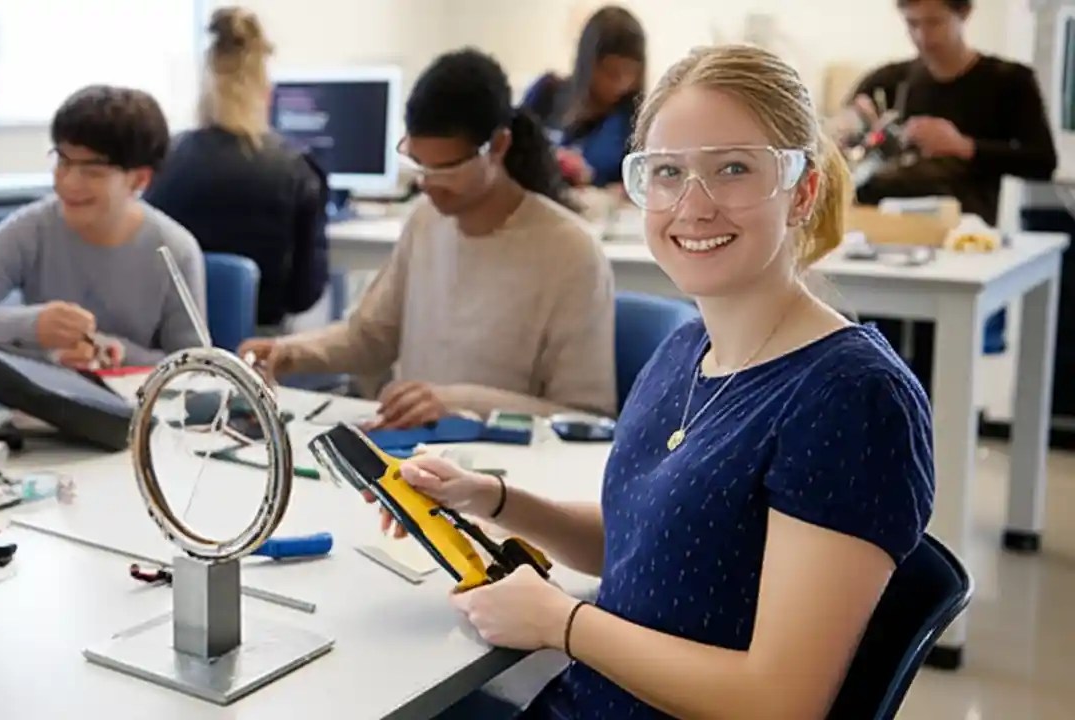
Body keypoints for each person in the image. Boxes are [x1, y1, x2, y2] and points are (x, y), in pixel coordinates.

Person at [385, 45, 936, 719]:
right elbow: (659, 548)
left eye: (732, 169)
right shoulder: (686, 348)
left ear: (803, 192)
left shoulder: (852, 399)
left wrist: (560, 623)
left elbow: (780, 701)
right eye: (667, 172)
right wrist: (494, 500)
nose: (692, 206)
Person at [238, 48, 617, 429]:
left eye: (447, 168)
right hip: (414, 456)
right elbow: (370, 338)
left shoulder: (571, 254)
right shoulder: (426, 220)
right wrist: (289, 353)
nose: (429, 184)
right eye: (419, 164)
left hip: (506, 473)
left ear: (498, 147)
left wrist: (456, 403)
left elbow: (583, 416)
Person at [833, 0, 1057, 396]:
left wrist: (964, 146)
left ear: (964, 14)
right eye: (912, 24)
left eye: (934, 23)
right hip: (887, 245)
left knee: (935, 366)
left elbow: (1043, 161)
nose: (923, 36)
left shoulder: (1009, 81)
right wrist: (850, 123)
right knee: (869, 357)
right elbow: (851, 120)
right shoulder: (893, 81)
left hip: (960, 245)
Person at [0, 85, 207, 368]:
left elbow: (196, 370)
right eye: (62, 162)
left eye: (92, 172)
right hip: (41, 407)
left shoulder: (174, 249)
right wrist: (33, 327)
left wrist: (107, 352)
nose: (68, 183)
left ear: (139, 180)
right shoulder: (30, 230)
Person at [144, 7, 329, 331]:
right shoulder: (296, 170)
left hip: (168, 343)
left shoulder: (164, 157)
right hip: (257, 348)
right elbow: (304, 294)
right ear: (265, 91)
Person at [520, 5, 646, 188]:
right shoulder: (546, 93)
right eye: (610, 72)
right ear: (587, 64)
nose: (620, 83)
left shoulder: (635, 119)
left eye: (629, 73)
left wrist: (596, 185)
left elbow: (640, 185)